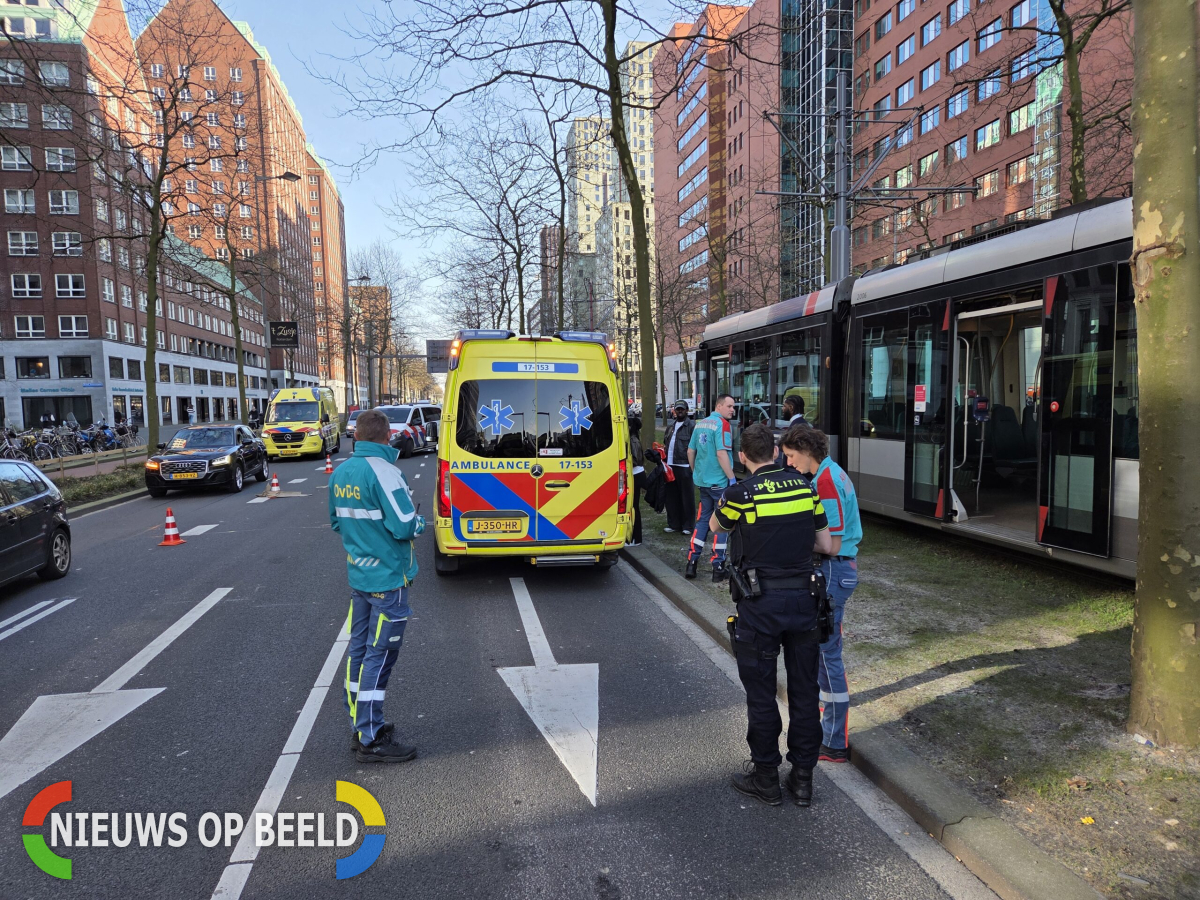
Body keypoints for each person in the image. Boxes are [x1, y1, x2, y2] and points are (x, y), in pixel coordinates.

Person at [712, 422, 833, 807]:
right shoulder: (805, 487)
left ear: (743, 457)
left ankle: (766, 778)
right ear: (778, 452)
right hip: (804, 602)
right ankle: (802, 780)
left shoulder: (740, 493)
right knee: (803, 691)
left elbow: (717, 525)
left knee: (762, 695)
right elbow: (825, 543)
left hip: (760, 605)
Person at [329, 409, 426, 763]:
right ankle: (370, 738)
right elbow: (403, 526)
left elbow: (337, 524)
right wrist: (420, 523)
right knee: (380, 655)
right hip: (388, 579)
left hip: (360, 576)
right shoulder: (386, 473)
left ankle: (361, 723)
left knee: (359, 652)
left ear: (356, 435)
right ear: (387, 436)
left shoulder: (341, 473)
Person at [780, 424, 861, 763]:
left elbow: (833, 542)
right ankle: (824, 727)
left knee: (828, 658)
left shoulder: (825, 482)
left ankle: (834, 740)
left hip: (833, 570)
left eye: (790, 455)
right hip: (836, 571)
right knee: (825, 653)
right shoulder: (830, 473)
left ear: (805, 449)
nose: (789, 462)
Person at [686, 393, 736, 581]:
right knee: (721, 524)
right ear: (719, 406)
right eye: (729, 406)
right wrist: (731, 479)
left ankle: (692, 562)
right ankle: (718, 567)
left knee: (702, 520)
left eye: (733, 406)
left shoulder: (700, 424)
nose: (732, 409)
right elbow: (722, 454)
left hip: (703, 482)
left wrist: (695, 472)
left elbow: (691, 451)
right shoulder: (722, 425)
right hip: (719, 483)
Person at [663, 400, 695, 534]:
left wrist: (693, 466)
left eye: (682, 409)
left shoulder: (692, 426)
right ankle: (674, 524)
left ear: (687, 410)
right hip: (670, 466)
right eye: (678, 409)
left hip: (684, 465)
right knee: (671, 497)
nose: (680, 411)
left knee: (686, 497)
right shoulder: (670, 427)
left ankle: (688, 525)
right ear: (674, 411)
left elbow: (695, 448)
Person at [628, 416, 646, 546]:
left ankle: (636, 538)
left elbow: (635, 460)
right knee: (633, 506)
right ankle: (634, 537)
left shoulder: (633, 440)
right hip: (636, 474)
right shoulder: (634, 439)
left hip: (636, 474)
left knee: (634, 507)